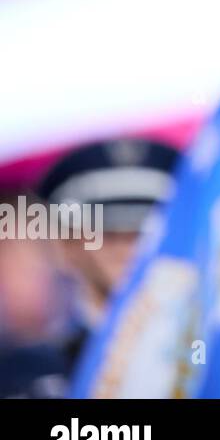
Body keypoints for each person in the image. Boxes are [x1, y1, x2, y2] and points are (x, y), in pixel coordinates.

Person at [32, 137, 180, 389]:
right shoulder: (27, 376)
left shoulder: (205, 360)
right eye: (105, 232)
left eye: (143, 231)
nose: (126, 247)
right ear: (66, 245)